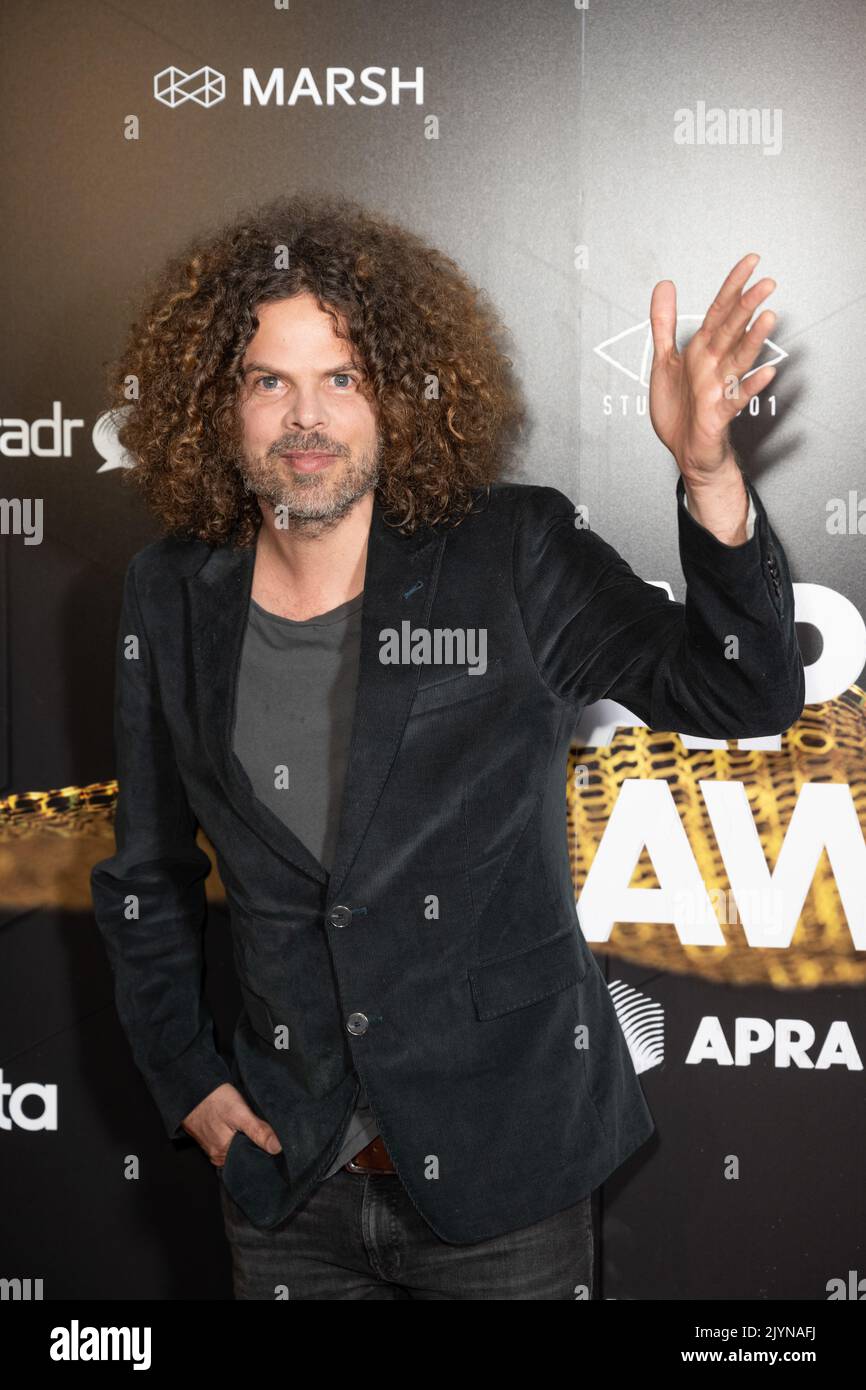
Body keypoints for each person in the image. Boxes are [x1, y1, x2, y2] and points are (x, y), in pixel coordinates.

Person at [91, 193, 804, 1300]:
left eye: (343, 377)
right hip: (287, 1184)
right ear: (213, 405)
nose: (306, 418)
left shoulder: (509, 551)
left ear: (402, 390)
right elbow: (146, 869)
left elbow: (743, 689)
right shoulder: (169, 591)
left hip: (505, 1181)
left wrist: (708, 477)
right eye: (267, 381)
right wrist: (185, 1078)